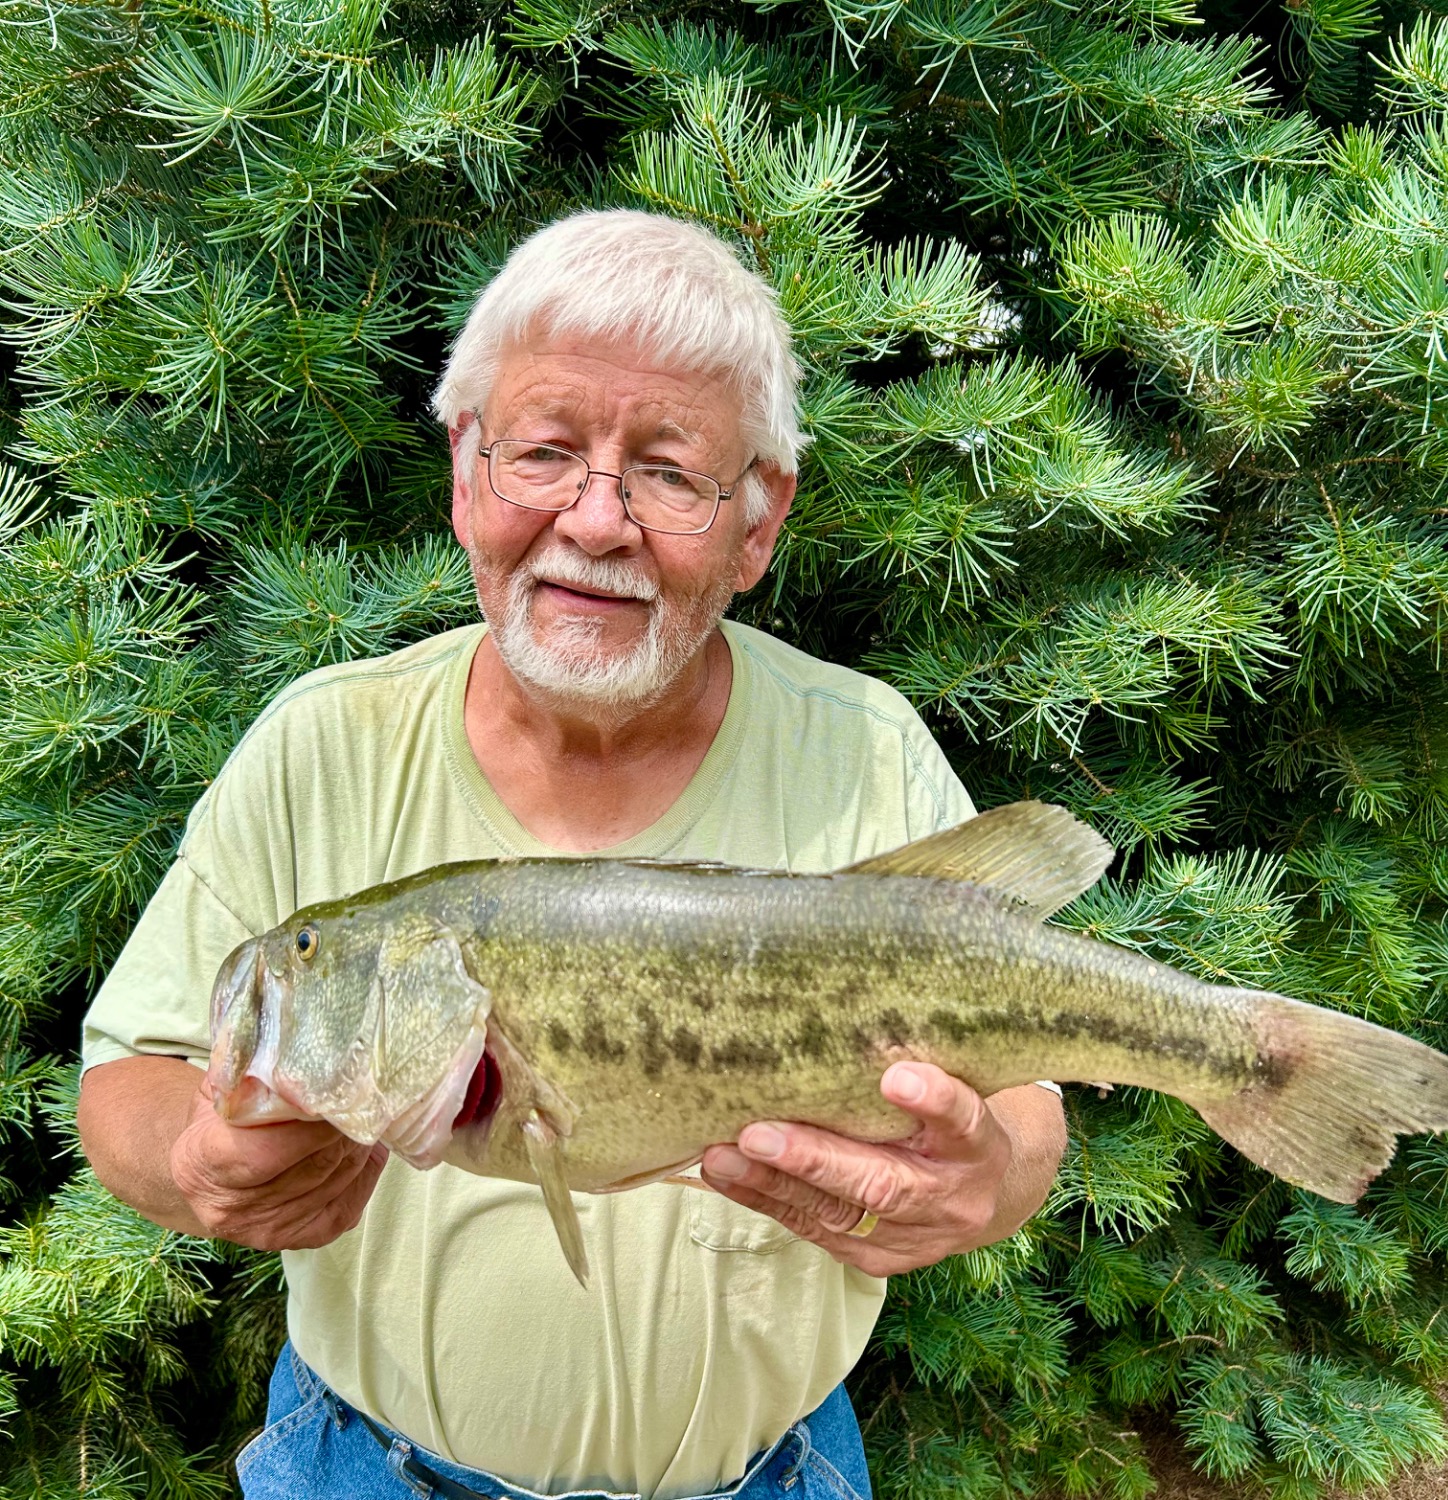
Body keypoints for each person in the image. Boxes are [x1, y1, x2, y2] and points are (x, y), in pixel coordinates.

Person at [77, 210, 1068, 1500]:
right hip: (362, 1469)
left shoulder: (869, 755)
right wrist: (198, 1162)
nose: (595, 522)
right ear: (465, 475)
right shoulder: (323, 743)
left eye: (669, 471)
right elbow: (128, 1083)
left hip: (773, 1476)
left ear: (757, 522)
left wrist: (990, 1188)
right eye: (543, 452)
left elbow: (1026, 1102)